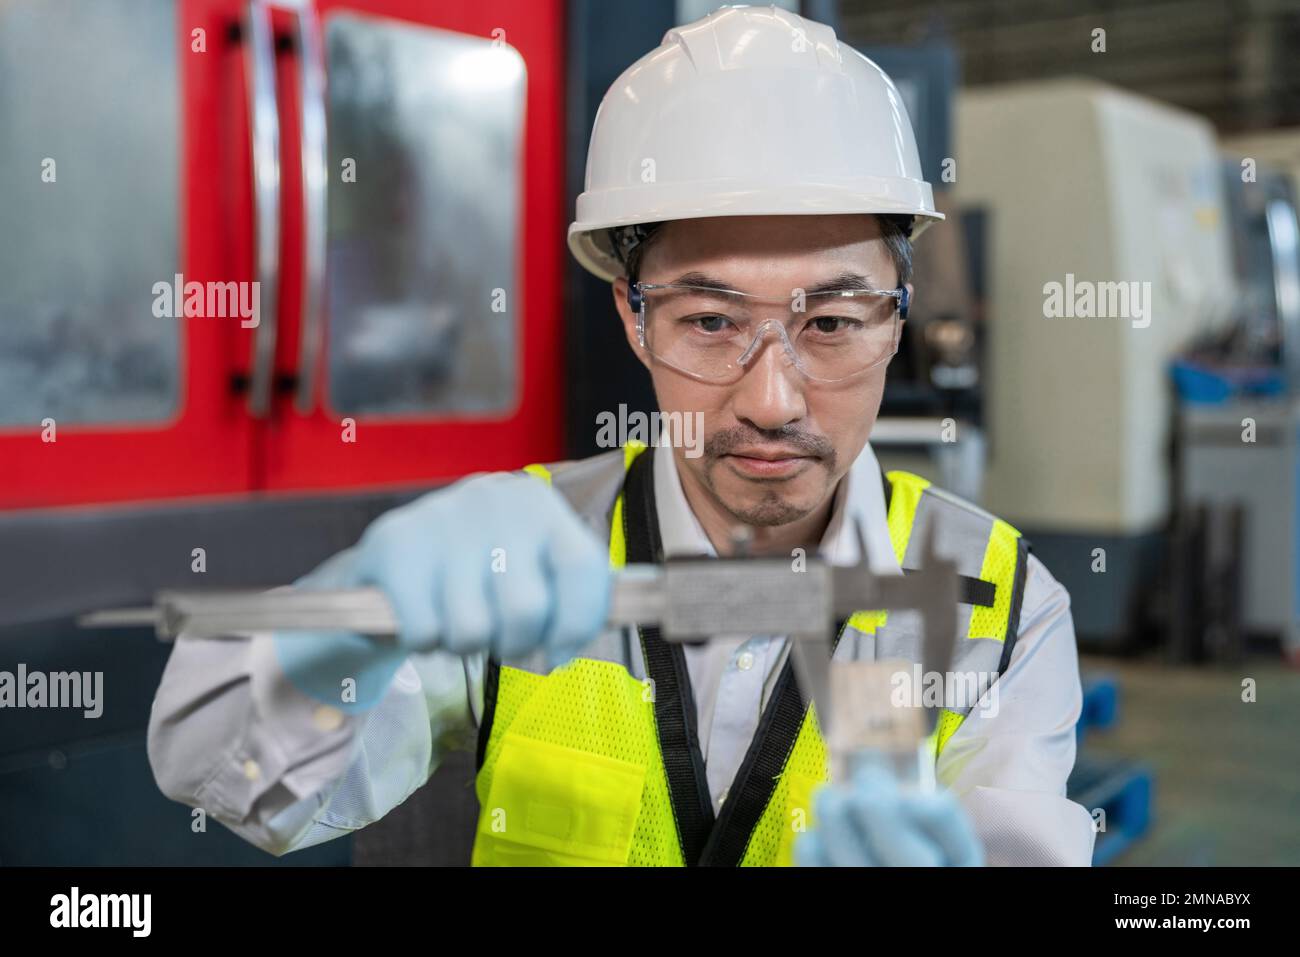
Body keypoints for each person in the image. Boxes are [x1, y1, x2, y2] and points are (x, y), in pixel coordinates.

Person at [148, 4, 1095, 866]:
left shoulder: (997, 610)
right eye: (711, 322)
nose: (772, 399)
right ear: (634, 316)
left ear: (899, 321)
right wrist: (349, 619)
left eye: (833, 324)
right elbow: (217, 775)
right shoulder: (515, 554)